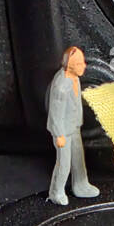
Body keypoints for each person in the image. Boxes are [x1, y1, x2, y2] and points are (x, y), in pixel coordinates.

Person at [46, 46, 100, 205]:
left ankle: (81, 185)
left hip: (74, 126)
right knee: (64, 164)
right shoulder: (61, 86)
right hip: (63, 131)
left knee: (78, 159)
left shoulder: (75, 78)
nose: (84, 65)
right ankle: (56, 192)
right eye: (80, 63)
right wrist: (59, 135)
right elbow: (55, 113)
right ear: (70, 65)